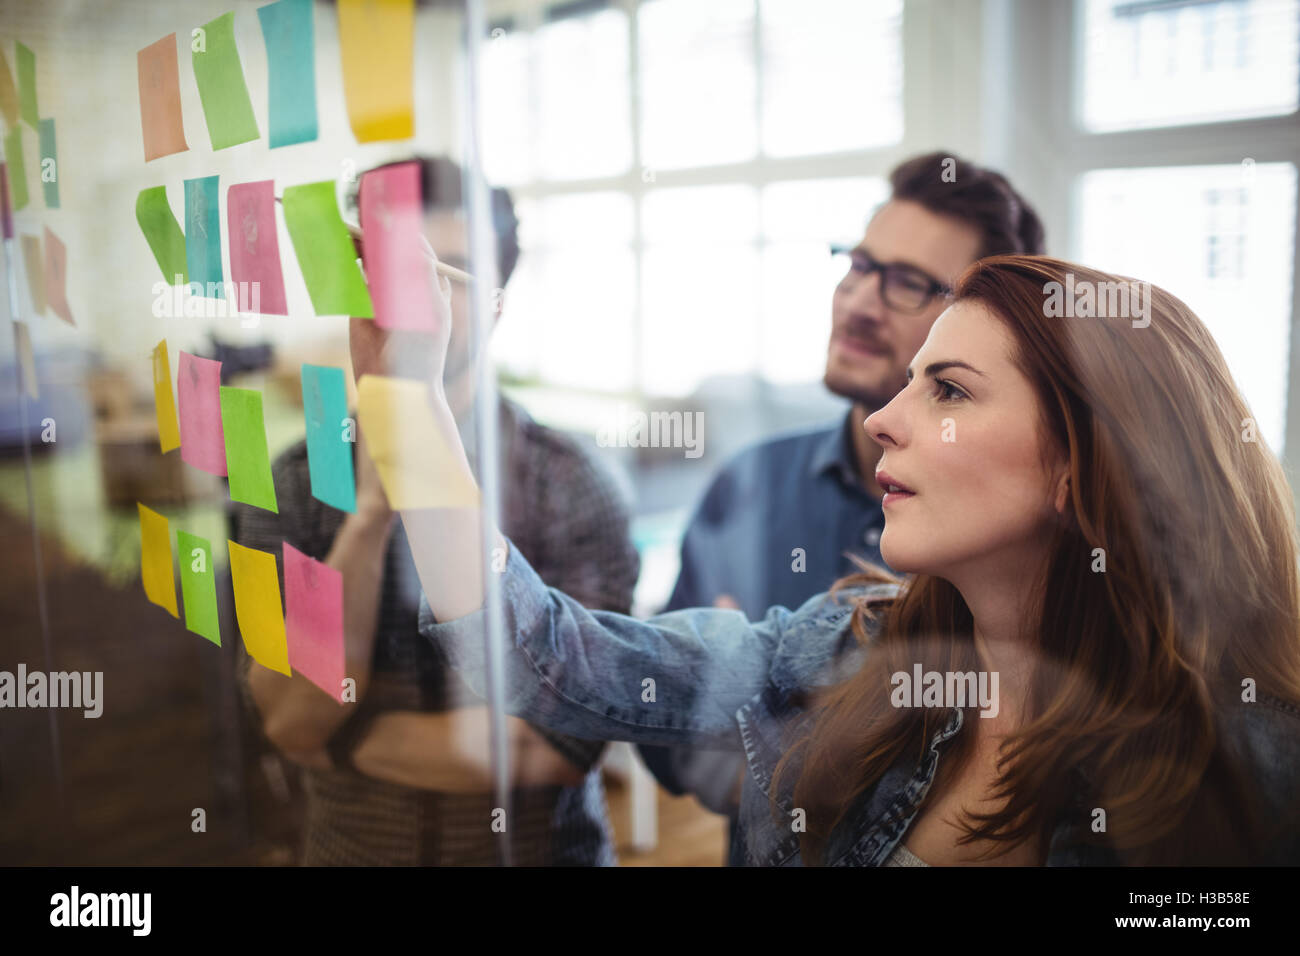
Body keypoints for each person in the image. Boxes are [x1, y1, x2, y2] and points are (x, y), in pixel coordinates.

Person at [395, 253, 1300, 866]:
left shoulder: (1255, 762)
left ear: (1080, 463)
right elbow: (544, 658)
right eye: (911, 380)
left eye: (946, 389)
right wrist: (414, 395)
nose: (882, 418)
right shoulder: (836, 653)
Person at [640, 151, 1047, 862]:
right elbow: (658, 723)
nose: (859, 302)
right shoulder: (751, 483)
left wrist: (761, 717)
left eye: (909, 285)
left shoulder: (1006, 541)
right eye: (859, 265)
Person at [233, 156, 640, 866]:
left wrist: (346, 736)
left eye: (446, 271)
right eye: (394, 268)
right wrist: (367, 521)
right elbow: (287, 716)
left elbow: (558, 746)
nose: (418, 300)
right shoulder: (296, 482)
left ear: (498, 296)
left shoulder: (569, 485)